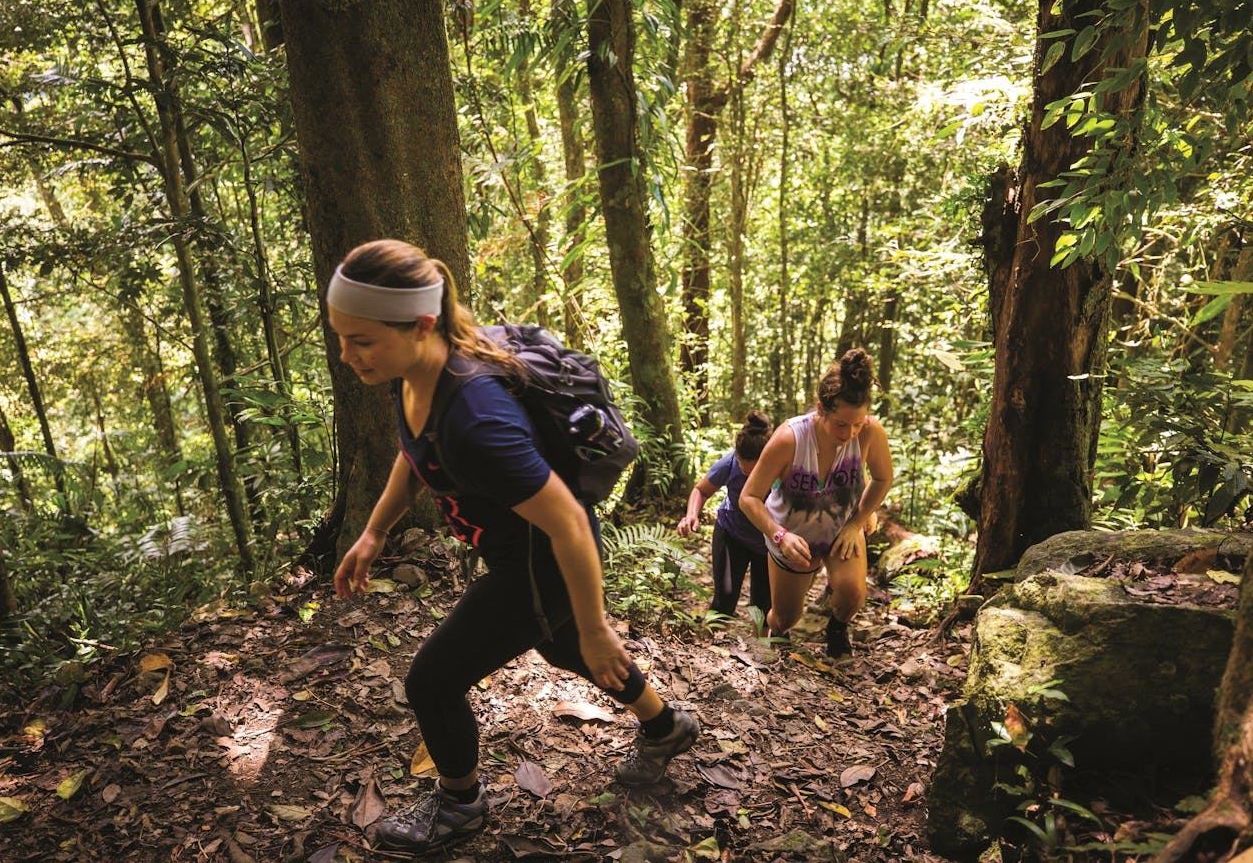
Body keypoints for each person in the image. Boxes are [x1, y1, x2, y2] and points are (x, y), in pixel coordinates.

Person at [328, 240, 698, 853]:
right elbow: (413, 451)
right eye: (341, 337)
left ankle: (460, 807)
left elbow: (570, 525)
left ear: (421, 325)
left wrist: (598, 624)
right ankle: (665, 725)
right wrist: (375, 530)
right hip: (521, 559)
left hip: (540, 566)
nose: (347, 355)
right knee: (563, 650)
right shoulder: (414, 372)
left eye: (361, 340)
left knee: (432, 682)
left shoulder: (476, 420)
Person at [739, 350, 893, 658]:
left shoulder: (870, 433)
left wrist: (857, 521)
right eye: (840, 424)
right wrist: (779, 536)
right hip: (791, 534)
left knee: (852, 594)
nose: (849, 434)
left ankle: (836, 627)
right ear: (821, 409)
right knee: (786, 617)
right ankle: (770, 632)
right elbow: (748, 498)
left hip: (840, 529)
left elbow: (882, 478)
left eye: (857, 424)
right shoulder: (789, 438)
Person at [677, 412, 774, 622]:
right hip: (732, 534)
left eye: (754, 471)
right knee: (725, 599)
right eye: (743, 467)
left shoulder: (782, 468)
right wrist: (691, 515)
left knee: (764, 606)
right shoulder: (729, 463)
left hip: (768, 542)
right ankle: (713, 648)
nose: (747, 474)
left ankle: (764, 649)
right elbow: (701, 491)